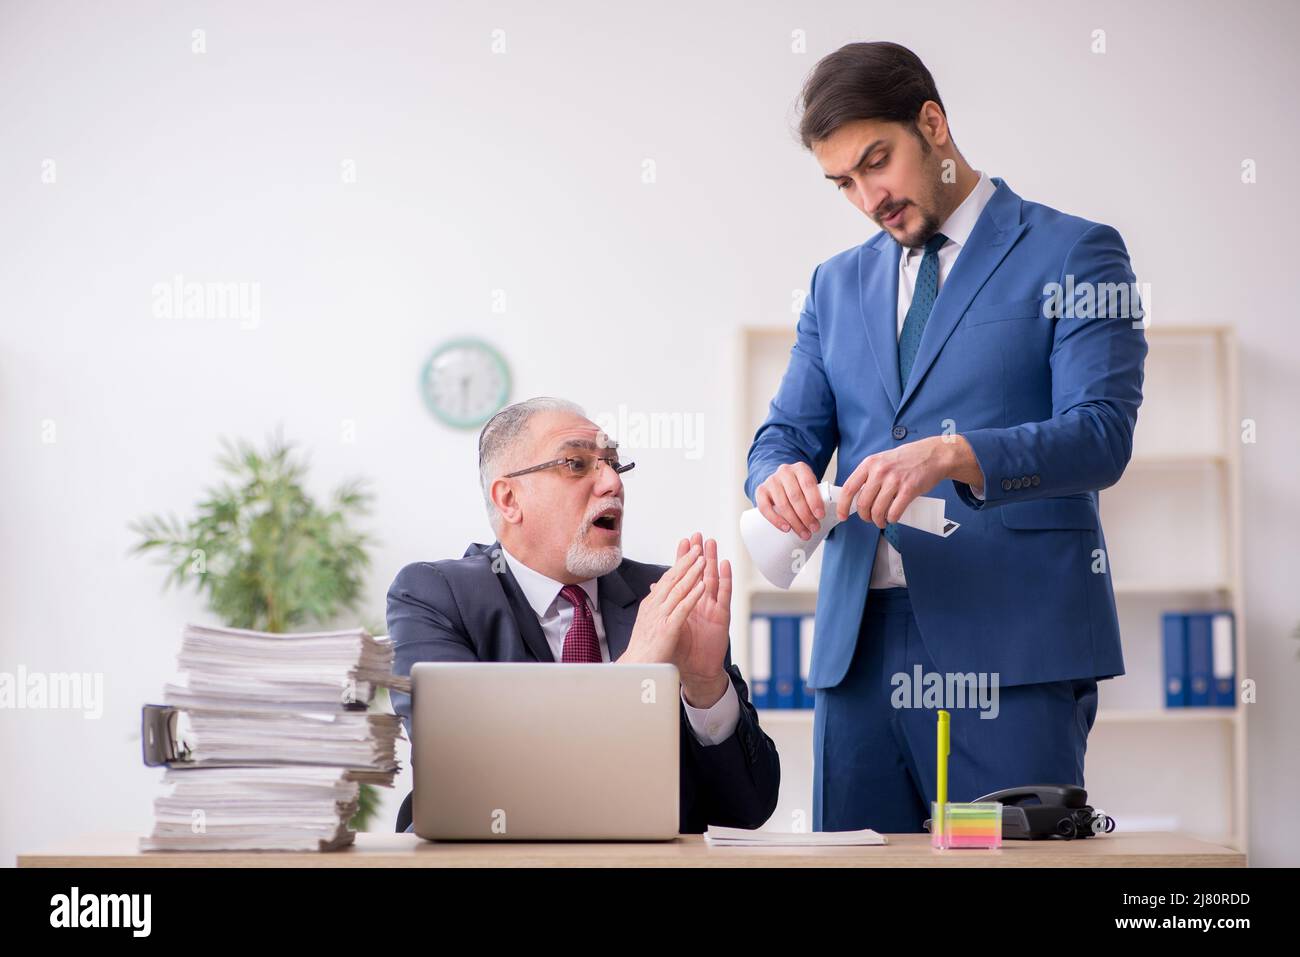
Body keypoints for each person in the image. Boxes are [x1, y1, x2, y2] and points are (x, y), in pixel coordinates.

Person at [746, 41, 1146, 832]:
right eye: (844, 183)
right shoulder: (835, 283)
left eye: (877, 162)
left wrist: (957, 453)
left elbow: (1101, 437)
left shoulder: (1075, 251)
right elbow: (784, 434)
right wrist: (777, 473)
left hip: (1014, 644)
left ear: (933, 123)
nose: (868, 197)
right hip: (857, 651)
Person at [389, 396, 780, 833]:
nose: (612, 482)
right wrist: (632, 675)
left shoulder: (666, 599)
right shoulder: (436, 595)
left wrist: (706, 685)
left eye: (613, 462)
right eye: (577, 464)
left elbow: (749, 807)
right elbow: (465, 773)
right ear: (509, 498)